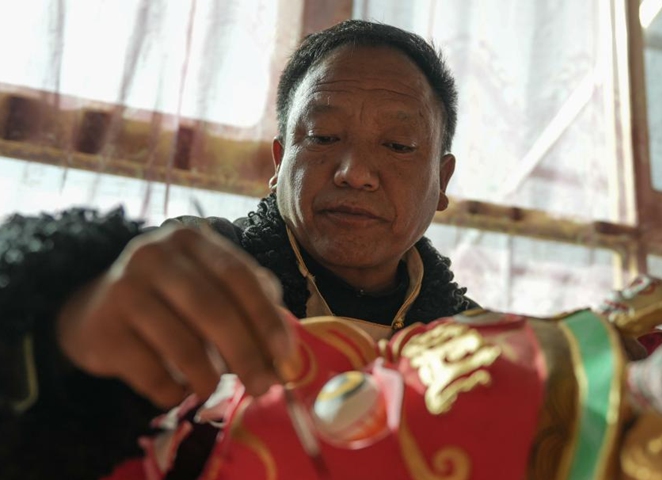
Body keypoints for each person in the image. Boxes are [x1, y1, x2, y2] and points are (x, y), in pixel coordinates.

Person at [0, 19, 477, 479]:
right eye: (323, 137)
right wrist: (54, 338)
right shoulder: (188, 271)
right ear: (279, 159)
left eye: (397, 145)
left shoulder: (475, 347)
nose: (354, 172)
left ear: (442, 179)